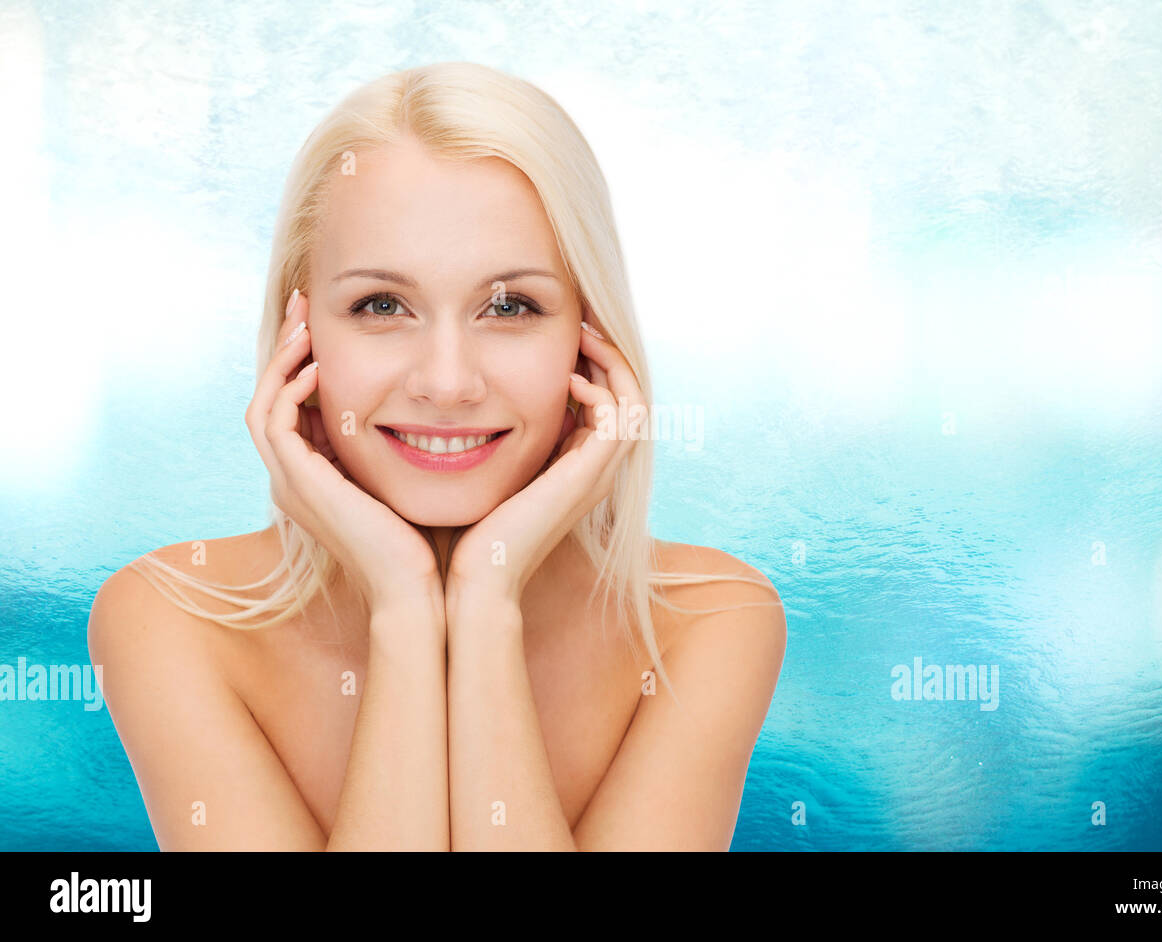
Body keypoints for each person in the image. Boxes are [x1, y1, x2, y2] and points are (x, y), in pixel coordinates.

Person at [88, 62, 786, 851]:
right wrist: (403, 604)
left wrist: (485, 602)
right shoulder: (170, 617)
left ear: (588, 340)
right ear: (300, 333)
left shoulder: (711, 619)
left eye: (511, 306)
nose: (447, 383)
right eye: (381, 305)